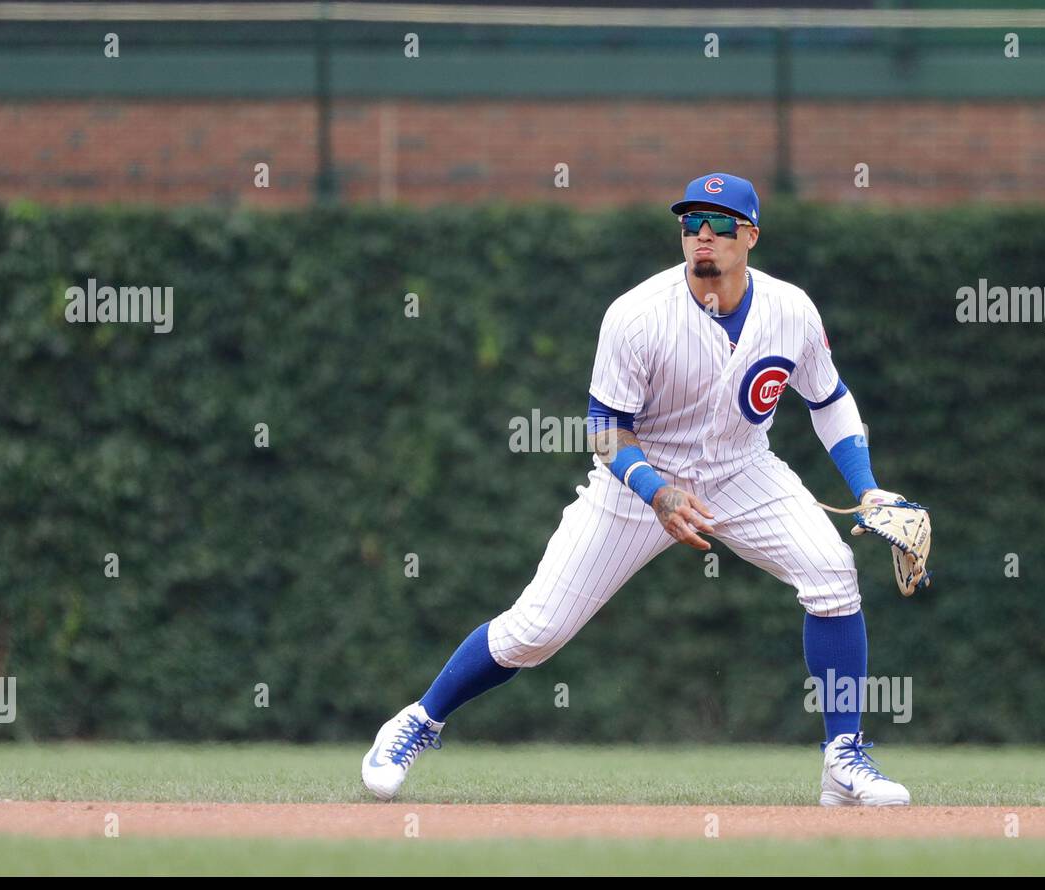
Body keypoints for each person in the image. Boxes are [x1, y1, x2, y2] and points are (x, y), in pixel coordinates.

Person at [362, 173, 912, 806]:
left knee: (833, 573)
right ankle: (417, 722)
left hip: (742, 469)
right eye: (691, 223)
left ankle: (843, 760)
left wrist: (868, 490)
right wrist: (657, 491)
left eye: (721, 223)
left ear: (751, 235)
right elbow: (604, 429)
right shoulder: (637, 315)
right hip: (635, 482)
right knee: (534, 632)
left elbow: (830, 400)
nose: (703, 235)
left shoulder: (791, 310)